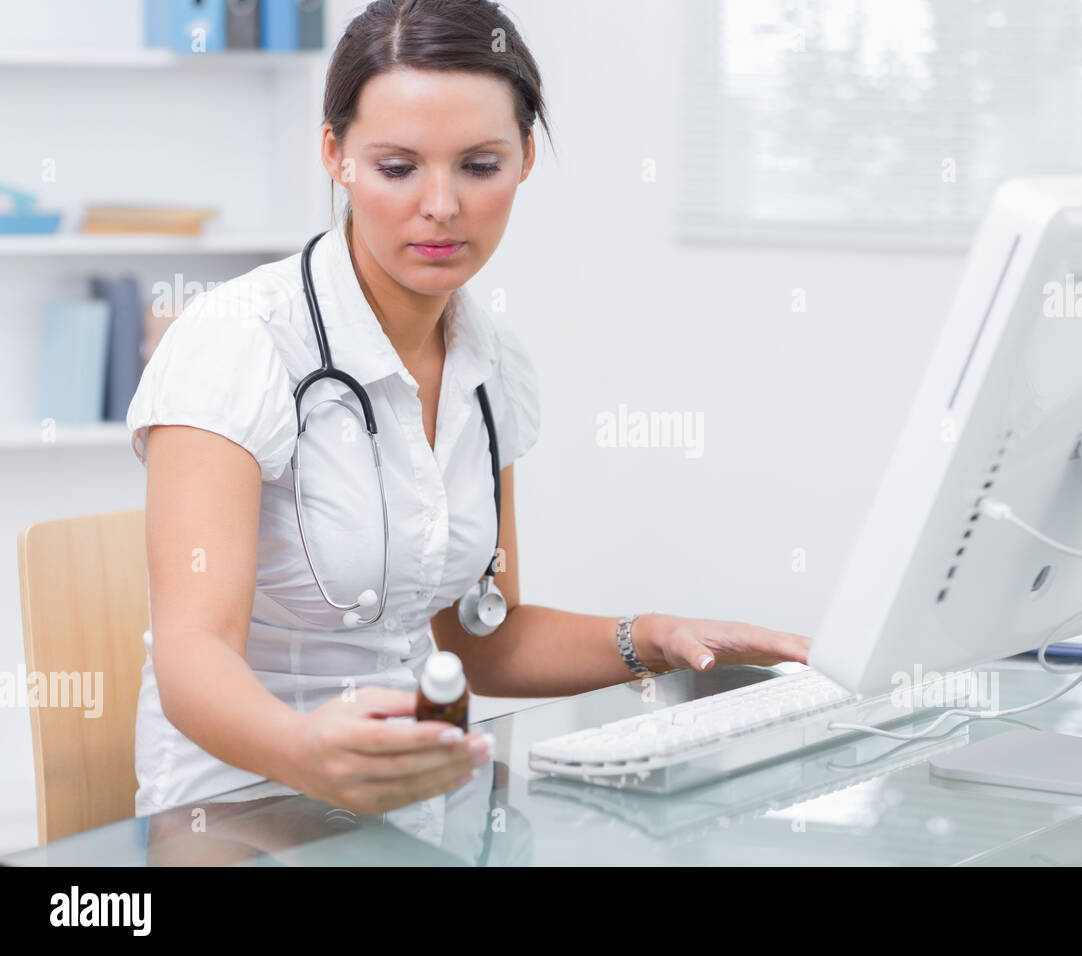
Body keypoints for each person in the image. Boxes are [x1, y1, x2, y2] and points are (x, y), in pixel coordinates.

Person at [126, 0, 810, 819]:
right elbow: (192, 655)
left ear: (524, 158)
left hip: (418, 803)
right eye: (397, 167)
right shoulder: (236, 342)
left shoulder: (492, 365)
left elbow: (481, 638)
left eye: (479, 165)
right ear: (335, 156)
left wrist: (649, 639)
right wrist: (306, 752)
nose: (441, 205)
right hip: (238, 806)